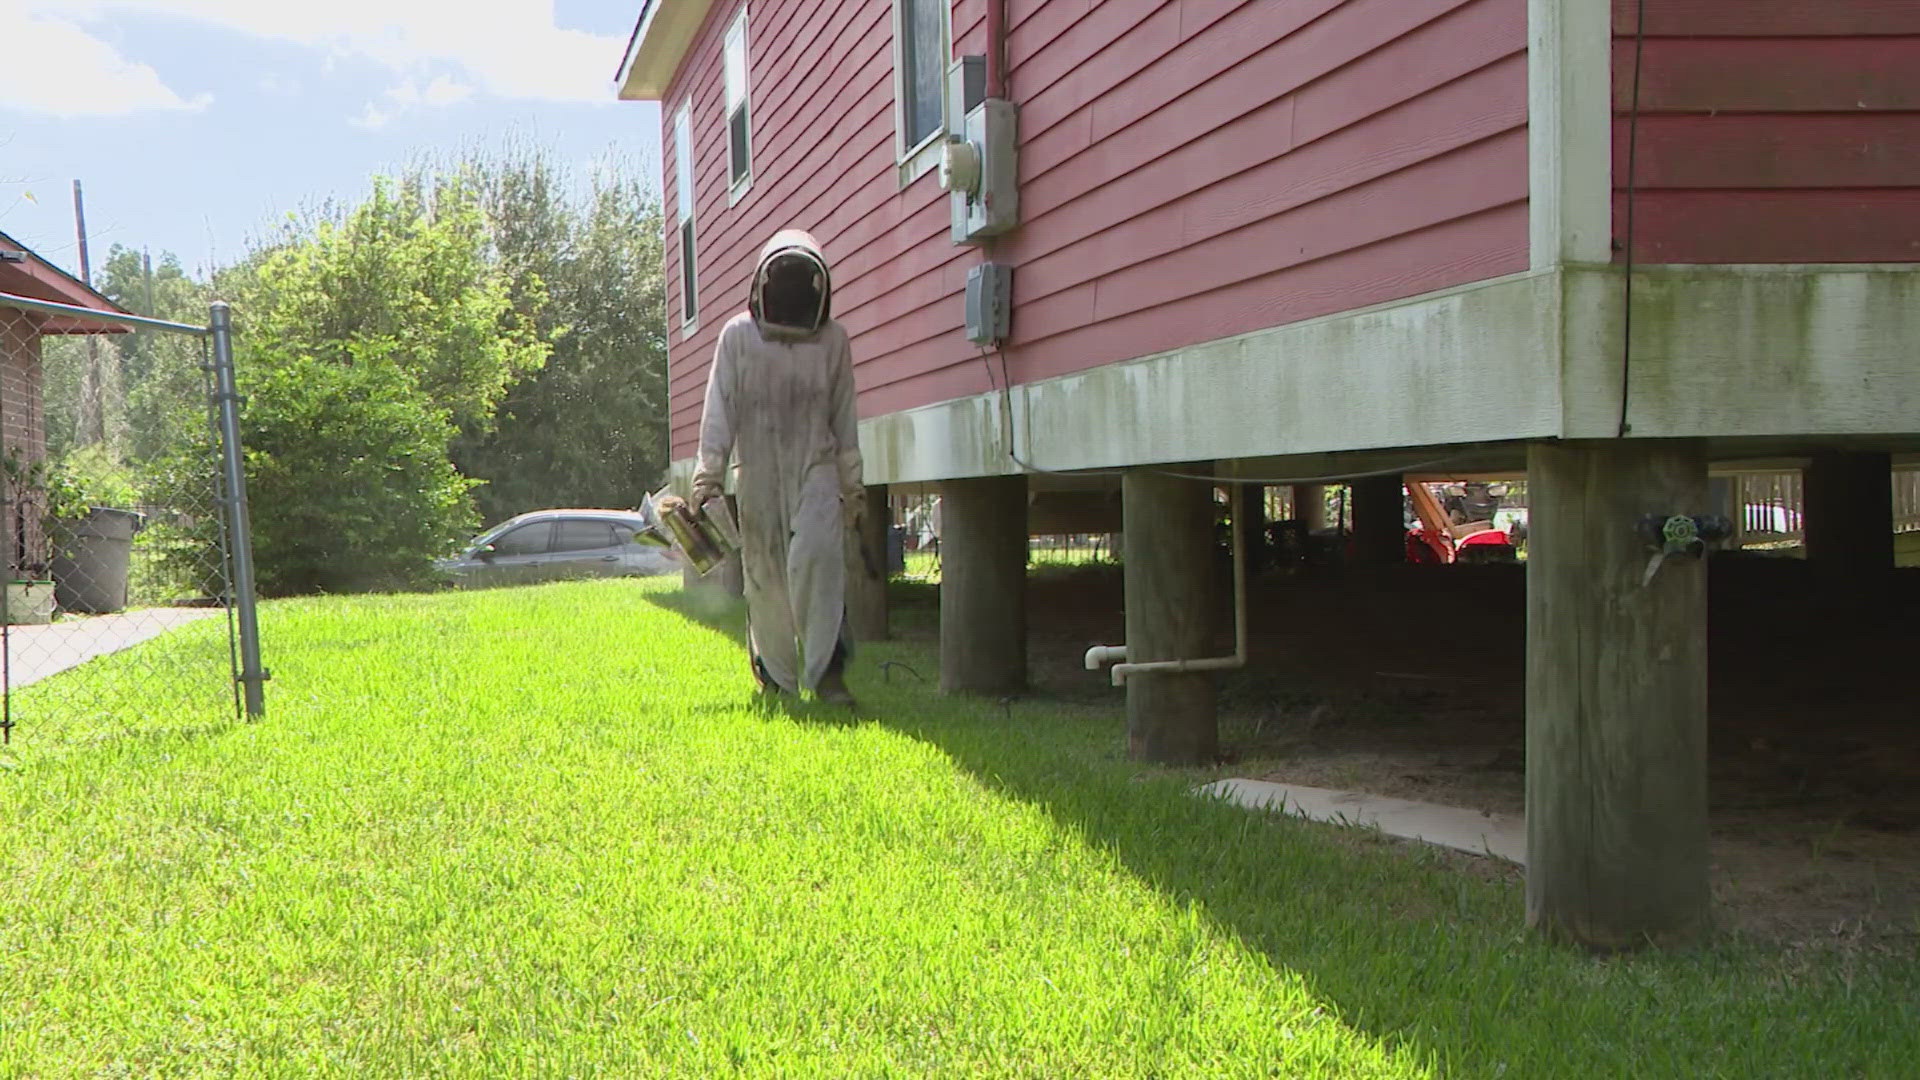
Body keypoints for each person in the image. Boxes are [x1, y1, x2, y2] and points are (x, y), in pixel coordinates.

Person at [690, 230, 863, 705]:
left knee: (818, 559)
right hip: (758, 467)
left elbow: (844, 416)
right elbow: (719, 409)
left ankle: (828, 670)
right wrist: (708, 477)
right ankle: (777, 678)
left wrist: (855, 487)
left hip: (816, 465)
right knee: (765, 573)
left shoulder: (834, 340)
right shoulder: (737, 336)